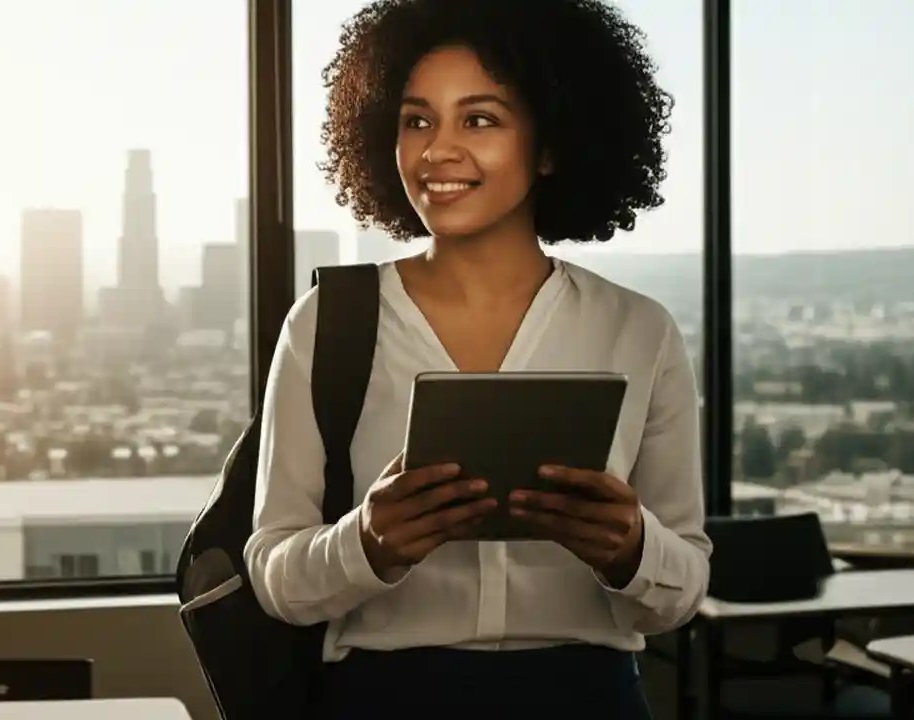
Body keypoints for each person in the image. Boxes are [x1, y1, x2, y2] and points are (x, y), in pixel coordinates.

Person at [243, 0, 711, 717]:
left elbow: (683, 589)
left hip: (588, 700)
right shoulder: (328, 325)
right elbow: (273, 575)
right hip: (383, 699)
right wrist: (367, 543)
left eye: (480, 119)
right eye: (417, 119)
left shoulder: (639, 331)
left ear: (550, 145)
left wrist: (631, 547)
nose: (437, 151)